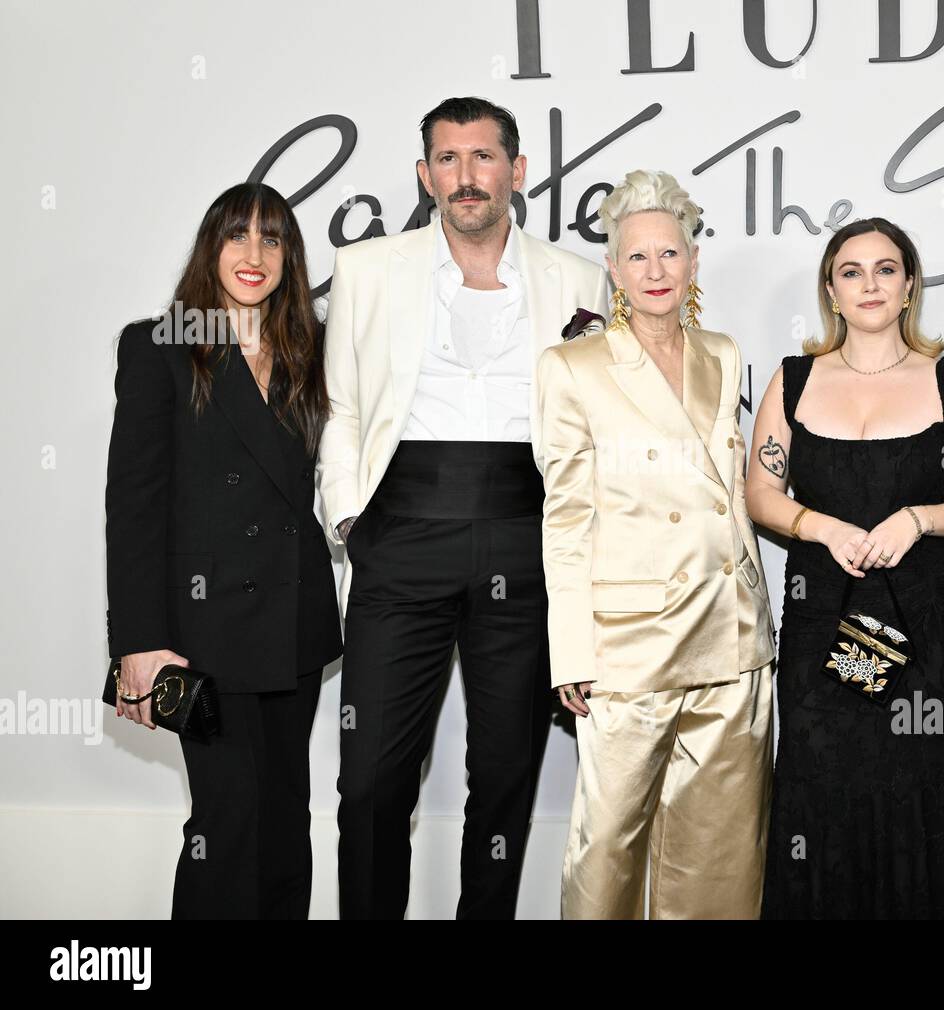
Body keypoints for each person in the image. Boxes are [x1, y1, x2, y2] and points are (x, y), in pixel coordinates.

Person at [319, 96, 608, 919]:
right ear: (424, 175)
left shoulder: (579, 281)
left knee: (507, 774)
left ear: (517, 171)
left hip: (526, 538)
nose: (465, 176)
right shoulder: (367, 270)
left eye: (483, 157)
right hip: (399, 535)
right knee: (370, 774)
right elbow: (341, 408)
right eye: (447, 159)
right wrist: (350, 520)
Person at [540, 170, 776, 919]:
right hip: (628, 644)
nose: (655, 272)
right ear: (613, 270)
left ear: (693, 263)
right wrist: (570, 648)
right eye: (637, 258)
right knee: (608, 847)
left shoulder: (722, 351)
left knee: (722, 851)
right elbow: (566, 518)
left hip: (731, 634)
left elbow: (730, 493)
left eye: (669, 255)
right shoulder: (570, 367)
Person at [746, 217, 944, 919]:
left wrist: (917, 518)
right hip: (820, 618)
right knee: (817, 789)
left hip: (921, 624)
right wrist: (820, 527)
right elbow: (760, 492)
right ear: (830, 289)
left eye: (886, 269)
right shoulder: (793, 379)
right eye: (851, 271)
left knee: (917, 790)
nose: (870, 284)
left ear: (910, 285)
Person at [105, 182, 342, 918]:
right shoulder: (160, 345)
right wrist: (140, 643)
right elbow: (134, 507)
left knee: (284, 820)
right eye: (237, 235)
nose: (253, 254)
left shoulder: (318, 349)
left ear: (291, 258)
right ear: (211, 247)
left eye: (272, 239)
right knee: (224, 822)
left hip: (293, 627)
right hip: (200, 638)